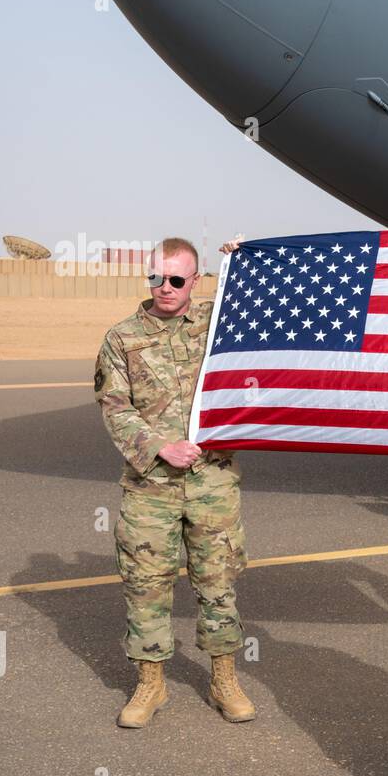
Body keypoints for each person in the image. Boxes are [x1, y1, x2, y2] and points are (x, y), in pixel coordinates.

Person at [95, 237, 255, 728]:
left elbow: (259, 321)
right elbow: (114, 407)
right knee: (145, 584)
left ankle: (224, 678)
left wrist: (246, 263)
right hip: (150, 484)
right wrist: (159, 446)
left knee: (218, 582)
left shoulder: (216, 326)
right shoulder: (122, 337)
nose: (165, 287)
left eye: (177, 279)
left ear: (196, 279)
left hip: (213, 481)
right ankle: (150, 684)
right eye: (156, 278)